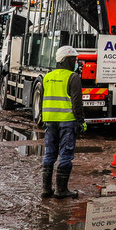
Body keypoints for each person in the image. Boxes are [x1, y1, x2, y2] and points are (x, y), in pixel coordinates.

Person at [41, 45, 86, 199]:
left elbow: (43, 100)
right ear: (66, 60)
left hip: (49, 121)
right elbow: (77, 103)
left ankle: (46, 190)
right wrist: (81, 122)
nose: (75, 62)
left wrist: (42, 118)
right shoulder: (72, 77)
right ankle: (61, 190)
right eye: (73, 59)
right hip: (67, 121)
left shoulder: (47, 77)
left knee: (49, 154)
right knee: (66, 155)